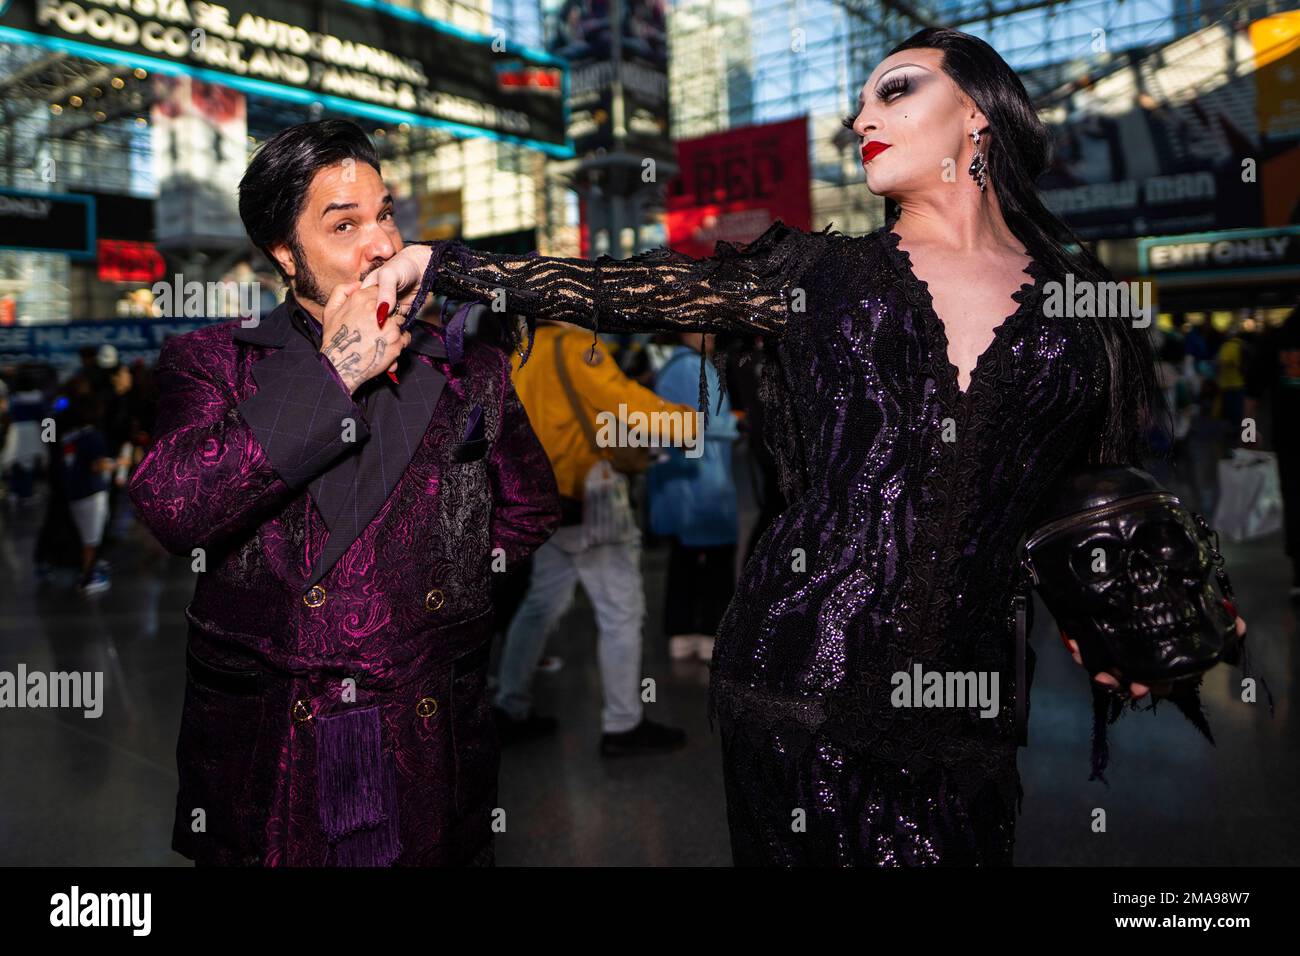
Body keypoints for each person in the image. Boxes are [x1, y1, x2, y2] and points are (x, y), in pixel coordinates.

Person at [362, 28, 1246, 865]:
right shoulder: (816, 277)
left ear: (977, 110)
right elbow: (631, 288)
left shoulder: (1078, 305)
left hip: (967, 707)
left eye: (894, 92)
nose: (861, 120)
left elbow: (1083, 491)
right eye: (858, 104)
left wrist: (1120, 611)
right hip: (796, 684)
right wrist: (440, 264)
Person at [128, 120, 559, 866]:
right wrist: (334, 376)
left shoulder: (470, 368)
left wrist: (439, 581)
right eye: (345, 224)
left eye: (386, 212)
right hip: (278, 733)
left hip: (423, 721)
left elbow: (529, 507)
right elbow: (174, 506)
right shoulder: (212, 364)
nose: (383, 243)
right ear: (285, 253)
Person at [492, 317, 693, 755]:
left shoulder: (521, 350)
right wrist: (686, 424)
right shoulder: (576, 345)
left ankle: (509, 705)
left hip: (545, 500)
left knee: (540, 605)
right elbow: (622, 403)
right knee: (620, 611)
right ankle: (623, 724)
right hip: (592, 497)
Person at [648, 332, 740, 662]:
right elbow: (708, 421)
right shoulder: (693, 368)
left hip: (681, 476)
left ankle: (680, 630)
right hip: (704, 475)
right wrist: (735, 425)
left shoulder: (671, 366)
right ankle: (710, 631)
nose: (714, 334)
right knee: (716, 559)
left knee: (685, 557)